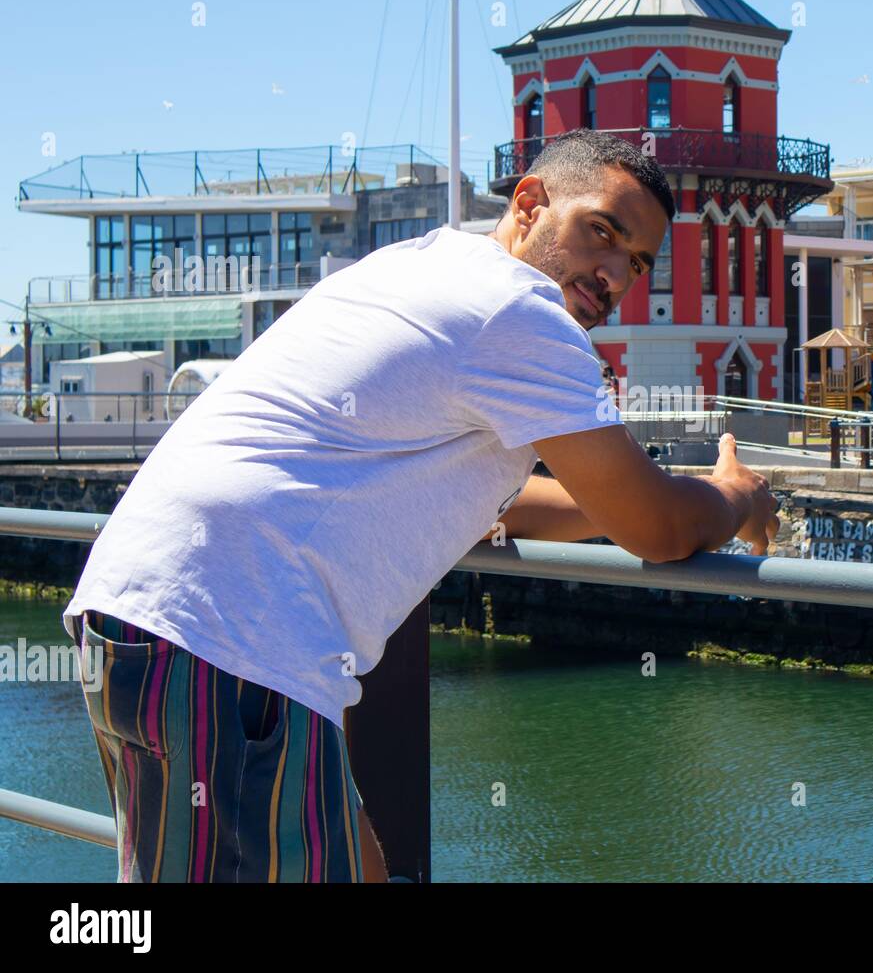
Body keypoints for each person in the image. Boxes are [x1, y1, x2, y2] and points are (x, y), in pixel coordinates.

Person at [61, 130, 780, 883]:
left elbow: (509, 500)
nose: (612, 273)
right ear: (529, 203)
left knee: (360, 868)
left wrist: (618, 498)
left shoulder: (420, 265)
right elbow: (657, 528)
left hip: (161, 620)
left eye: (635, 263)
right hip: (231, 644)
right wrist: (737, 494)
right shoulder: (520, 312)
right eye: (601, 231)